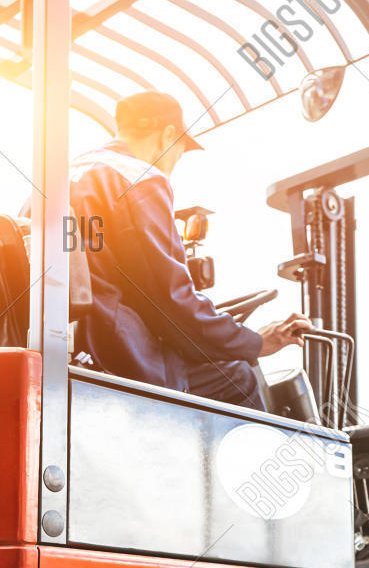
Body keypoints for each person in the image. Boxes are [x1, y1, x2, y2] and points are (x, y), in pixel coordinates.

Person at [68, 90, 311, 409]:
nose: (172, 167)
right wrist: (254, 342)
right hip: (116, 349)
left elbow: (136, 285)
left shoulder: (65, 174)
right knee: (238, 377)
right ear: (168, 135)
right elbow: (169, 300)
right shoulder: (140, 179)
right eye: (178, 155)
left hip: (74, 340)